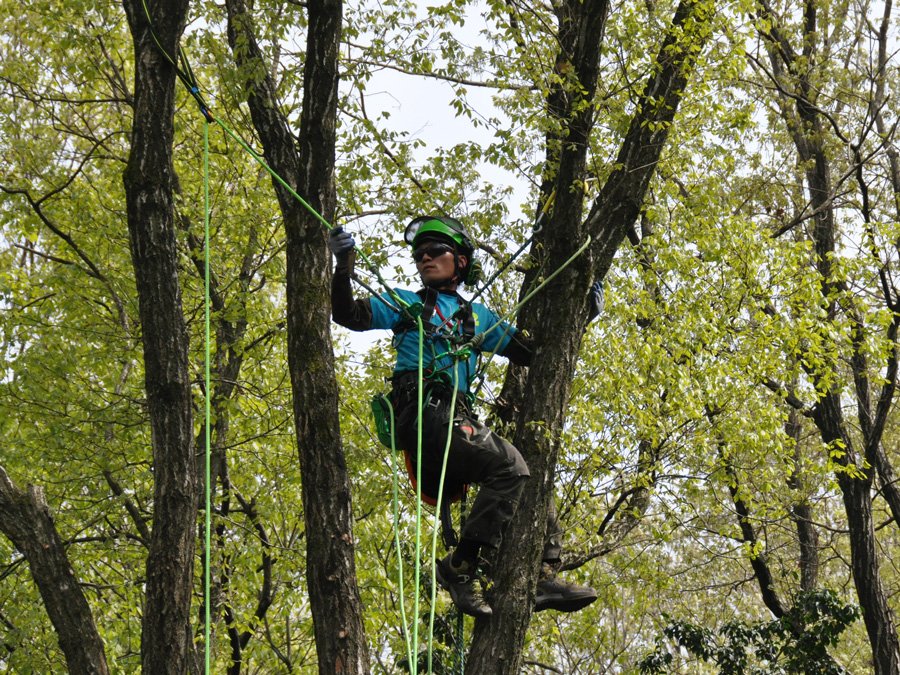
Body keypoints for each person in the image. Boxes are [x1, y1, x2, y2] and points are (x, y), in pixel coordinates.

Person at [329, 215, 598, 618]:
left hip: (456, 419)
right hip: (426, 413)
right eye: (419, 254)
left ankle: (542, 572)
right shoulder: (408, 304)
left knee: (530, 473)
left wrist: (583, 317)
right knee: (511, 466)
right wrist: (344, 266)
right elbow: (348, 313)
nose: (424, 258)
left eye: (434, 251)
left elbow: (535, 351)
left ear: (460, 260)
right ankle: (461, 567)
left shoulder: (478, 318)